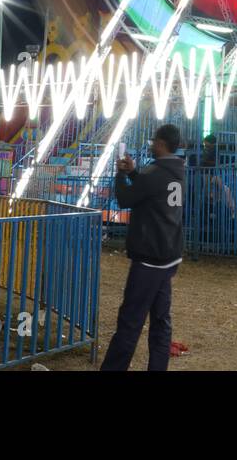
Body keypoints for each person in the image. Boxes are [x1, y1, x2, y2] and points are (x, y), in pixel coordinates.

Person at [100, 124, 185, 371]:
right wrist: (136, 173)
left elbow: (125, 198)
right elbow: (152, 193)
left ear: (160, 143)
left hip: (150, 258)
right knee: (161, 320)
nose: (150, 145)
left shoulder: (154, 172)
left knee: (130, 322)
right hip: (169, 255)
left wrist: (120, 174)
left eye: (153, 141)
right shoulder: (176, 171)